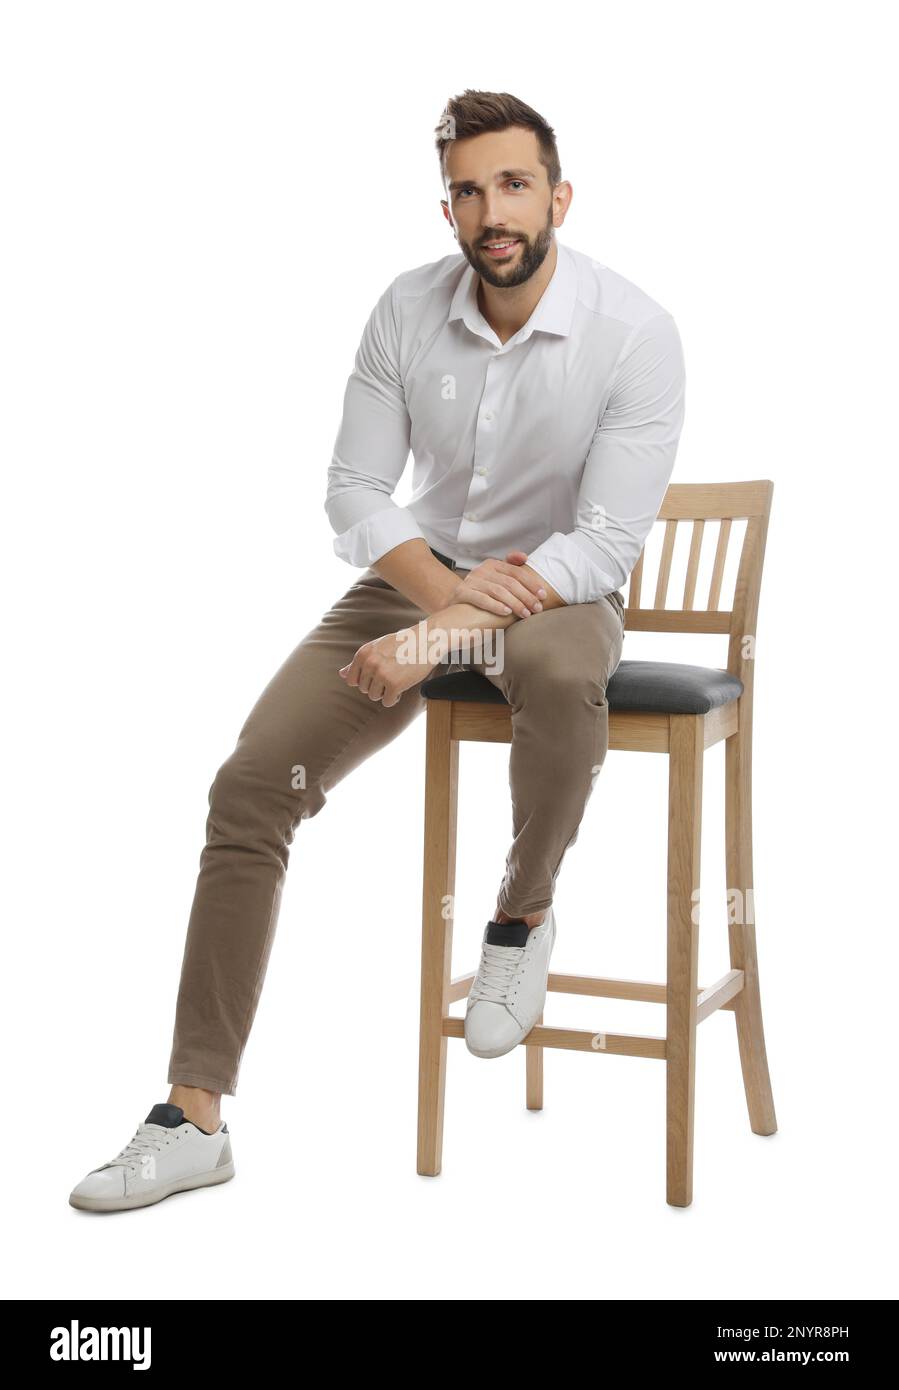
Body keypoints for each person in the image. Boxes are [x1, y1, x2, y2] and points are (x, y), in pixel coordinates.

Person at [69, 88, 685, 1212]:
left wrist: (448, 633)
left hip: (556, 590)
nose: (488, 210)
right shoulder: (404, 311)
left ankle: (522, 911)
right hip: (418, 574)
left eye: (510, 184)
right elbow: (355, 488)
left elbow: (600, 540)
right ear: (445, 205)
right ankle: (194, 1112)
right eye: (465, 189)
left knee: (551, 668)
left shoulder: (633, 330)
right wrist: (438, 601)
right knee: (253, 786)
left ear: (558, 195)